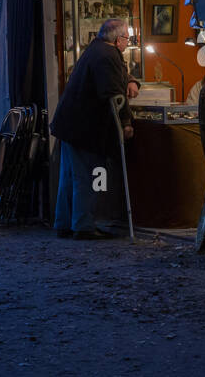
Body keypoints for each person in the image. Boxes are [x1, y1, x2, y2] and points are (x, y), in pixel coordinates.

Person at [51, 18, 140, 239]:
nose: (128, 43)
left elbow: (115, 75)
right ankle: (84, 226)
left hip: (69, 124)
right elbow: (113, 94)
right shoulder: (108, 56)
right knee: (88, 176)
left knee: (70, 176)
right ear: (119, 39)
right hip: (84, 128)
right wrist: (126, 122)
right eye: (128, 39)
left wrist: (131, 80)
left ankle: (64, 223)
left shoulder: (96, 50)